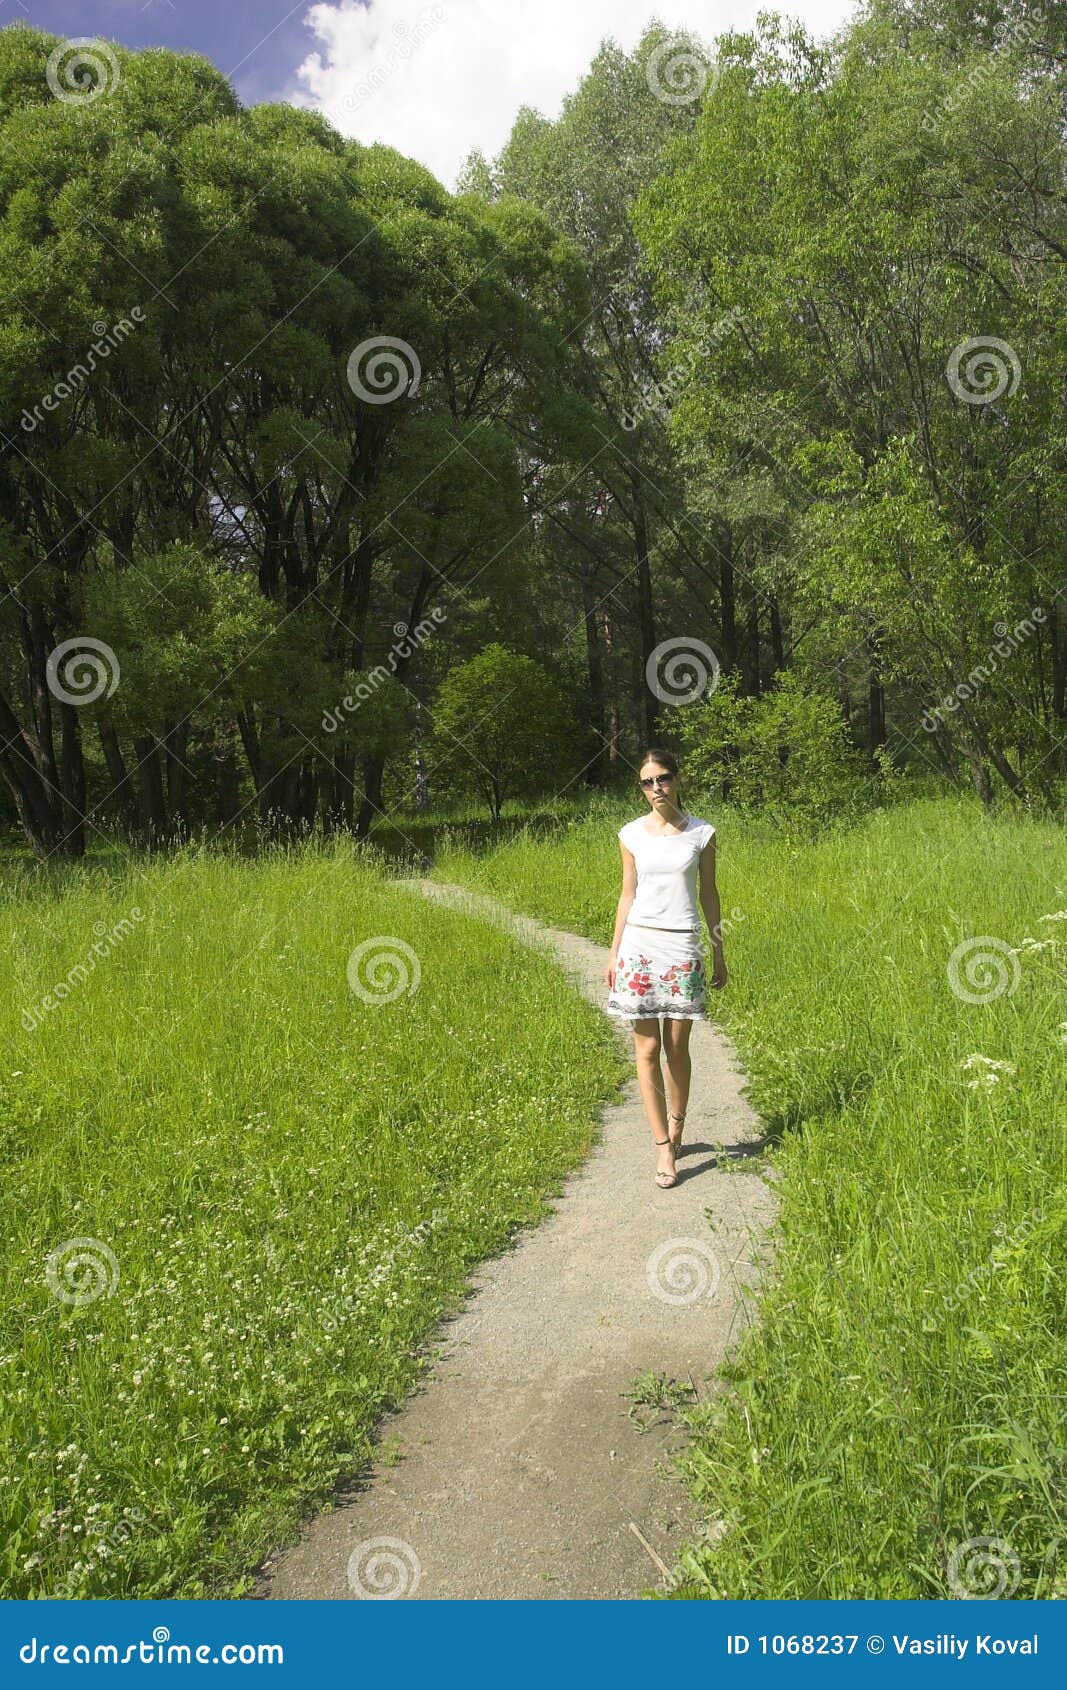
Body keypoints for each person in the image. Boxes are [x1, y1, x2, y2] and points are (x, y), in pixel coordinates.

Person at [603, 748, 728, 1189]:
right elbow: (626, 894)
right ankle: (662, 1148)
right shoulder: (631, 834)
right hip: (639, 947)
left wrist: (718, 950)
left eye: (663, 778)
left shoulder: (702, 833)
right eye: (647, 782)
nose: (656, 788)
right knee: (647, 1051)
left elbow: (709, 894)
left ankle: (678, 1122)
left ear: (678, 779)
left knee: (677, 1048)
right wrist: (614, 950)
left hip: (681, 950)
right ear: (640, 788)